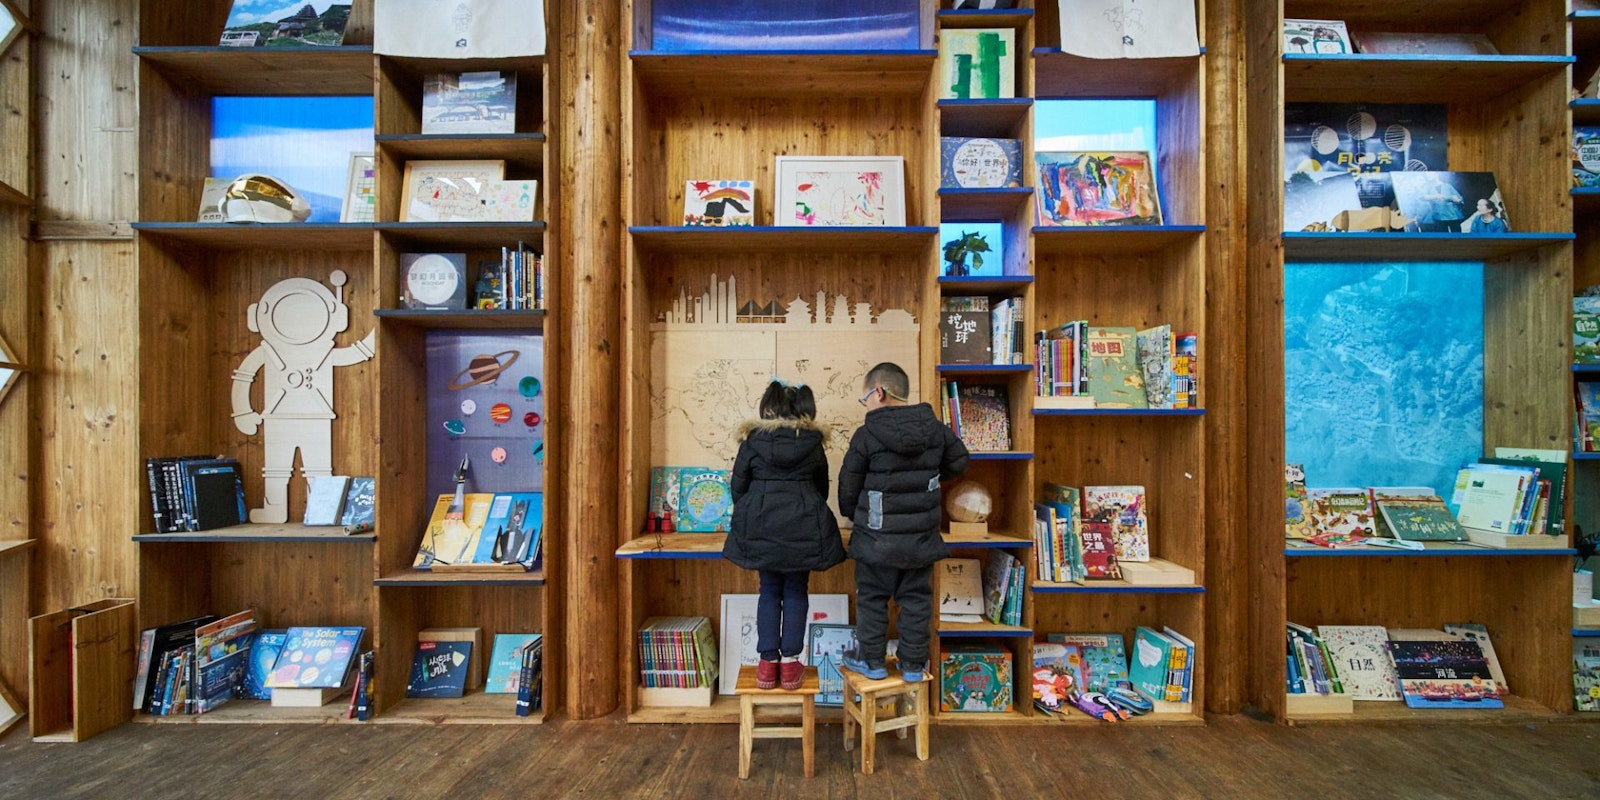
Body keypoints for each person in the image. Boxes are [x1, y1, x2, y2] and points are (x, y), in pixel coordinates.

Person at [837, 362, 970, 682]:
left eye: (865, 397)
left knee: (871, 599)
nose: (866, 403)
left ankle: (873, 662)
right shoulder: (935, 428)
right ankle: (912, 666)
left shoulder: (867, 434)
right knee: (916, 601)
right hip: (921, 540)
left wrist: (851, 514)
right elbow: (960, 461)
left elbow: (848, 485)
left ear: (879, 392)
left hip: (876, 540)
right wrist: (931, 480)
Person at [722, 380, 845, 690]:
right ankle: (790, 666)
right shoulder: (813, 444)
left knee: (768, 590)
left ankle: (766, 667)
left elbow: (738, 488)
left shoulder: (752, 441)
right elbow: (821, 490)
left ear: (768, 407)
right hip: (803, 527)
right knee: (796, 591)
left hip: (762, 528)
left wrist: (754, 512)